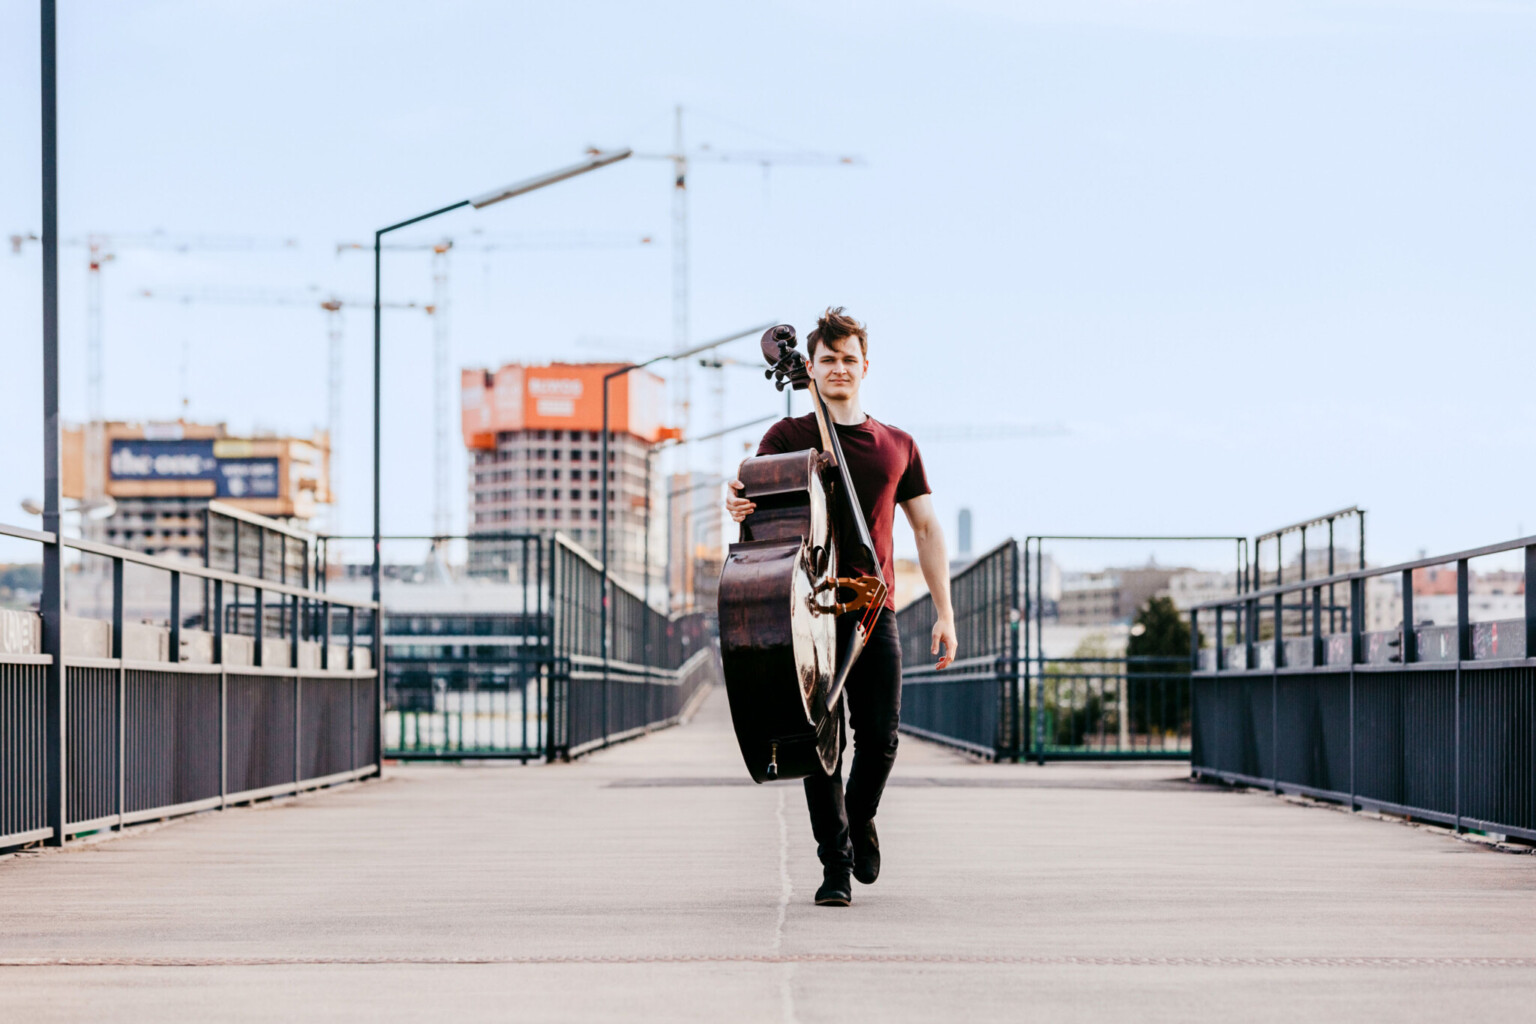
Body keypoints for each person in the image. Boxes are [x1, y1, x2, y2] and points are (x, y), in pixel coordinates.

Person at [726, 307, 957, 908]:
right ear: (811, 366)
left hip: (874, 604)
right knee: (819, 736)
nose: (836, 369)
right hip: (808, 607)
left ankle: (858, 820)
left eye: (847, 359)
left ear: (864, 366)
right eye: (825, 360)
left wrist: (945, 612)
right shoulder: (786, 439)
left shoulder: (896, 445)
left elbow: (928, 531)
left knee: (879, 737)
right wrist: (738, 501)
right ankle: (834, 866)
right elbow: (757, 510)